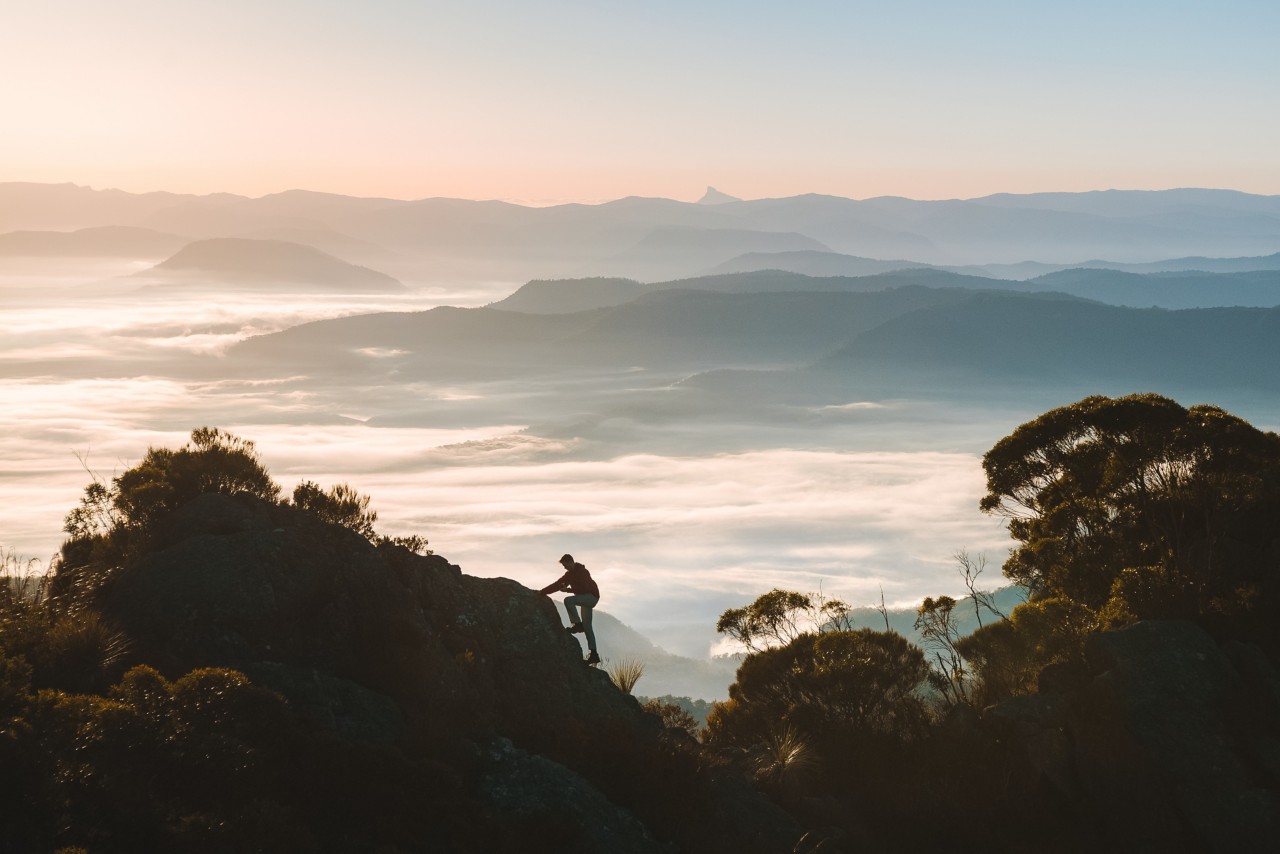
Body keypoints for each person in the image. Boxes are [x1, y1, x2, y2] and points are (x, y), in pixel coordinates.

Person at [540, 553, 601, 664]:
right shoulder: (569, 575)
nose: (564, 567)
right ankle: (594, 655)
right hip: (585, 599)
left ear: (570, 562)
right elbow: (557, 584)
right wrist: (542, 592)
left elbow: (584, 588)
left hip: (592, 597)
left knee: (568, 601)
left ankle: (577, 624)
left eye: (565, 565)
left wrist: (567, 590)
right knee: (588, 628)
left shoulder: (583, 572)